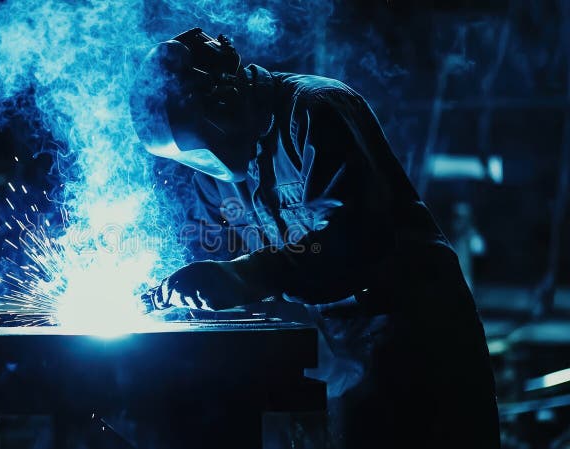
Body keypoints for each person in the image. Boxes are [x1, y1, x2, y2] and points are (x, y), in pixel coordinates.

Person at [129, 28, 500, 448]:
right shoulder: (217, 177)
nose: (206, 162)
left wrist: (242, 277)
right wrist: (171, 293)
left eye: (203, 145)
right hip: (342, 344)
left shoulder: (315, 110)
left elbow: (353, 242)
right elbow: (213, 254)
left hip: (418, 327)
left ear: (224, 98)